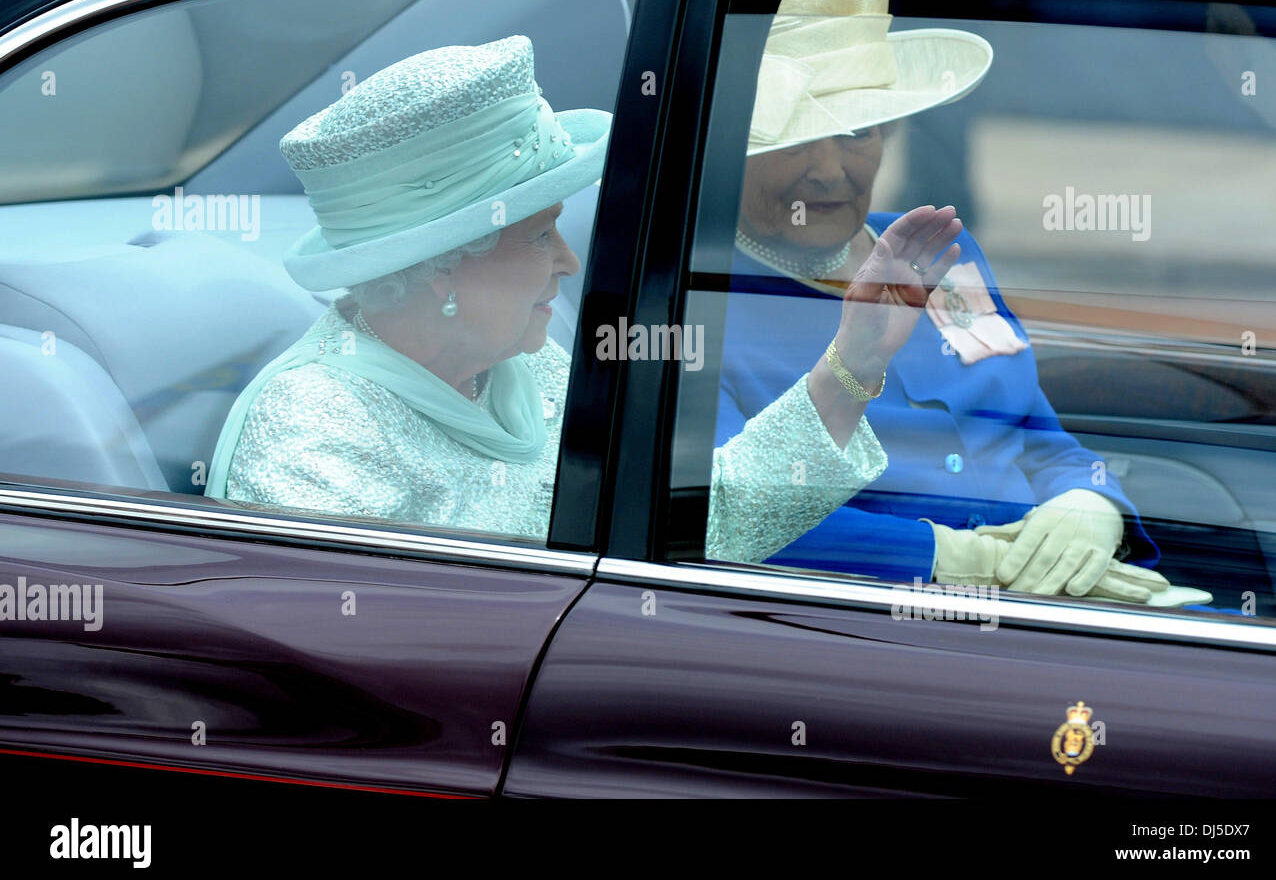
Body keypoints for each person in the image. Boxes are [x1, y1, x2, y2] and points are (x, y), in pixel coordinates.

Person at [202, 35, 959, 564]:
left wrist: (852, 359)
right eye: (537, 238)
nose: (567, 262)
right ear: (439, 267)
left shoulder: (516, 372)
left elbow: (694, 524)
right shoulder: (313, 435)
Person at [716, 0, 1173, 602]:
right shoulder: (697, 302)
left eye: (857, 133)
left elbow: (1037, 434)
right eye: (796, 137)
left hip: (1060, 597)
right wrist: (951, 557)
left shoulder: (939, 254)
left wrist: (1091, 501)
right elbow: (712, 517)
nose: (827, 169)